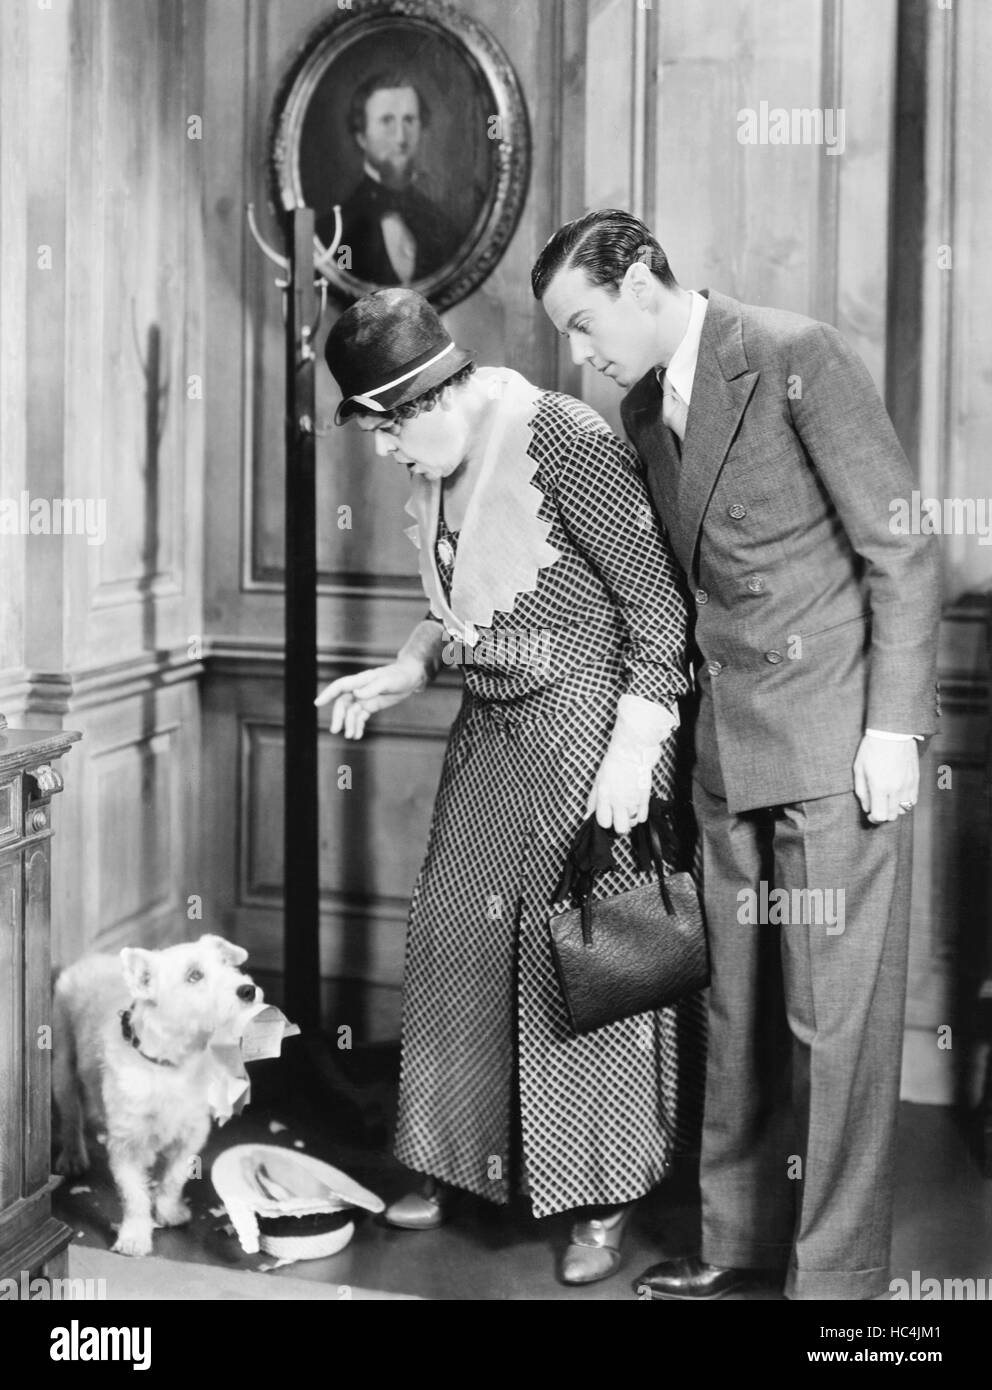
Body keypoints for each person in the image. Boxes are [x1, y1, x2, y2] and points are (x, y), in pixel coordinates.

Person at [532, 209, 941, 1302]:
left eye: (583, 324)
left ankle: (837, 1285)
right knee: (737, 1014)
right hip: (727, 755)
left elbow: (899, 545)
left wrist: (893, 726)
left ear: (638, 277)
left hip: (834, 749)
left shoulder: (788, 354)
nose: (581, 353)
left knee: (835, 1026)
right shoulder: (634, 410)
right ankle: (738, 1239)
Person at [316, 287, 705, 1286]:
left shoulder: (557, 434)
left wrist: (635, 747)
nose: (387, 457)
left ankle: (602, 1193)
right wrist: (410, 665)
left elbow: (656, 611)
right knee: (458, 942)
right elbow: (469, 611)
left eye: (391, 434)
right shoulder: (438, 466)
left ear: (430, 402)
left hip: (588, 728)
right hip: (490, 728)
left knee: (581, 953)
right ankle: (459, 1162)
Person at [316, 72, 458, 286]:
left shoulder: (445, 230)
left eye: (409, 120)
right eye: (386, 121)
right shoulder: (329, 234)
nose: (401, 137)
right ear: (361, 136)